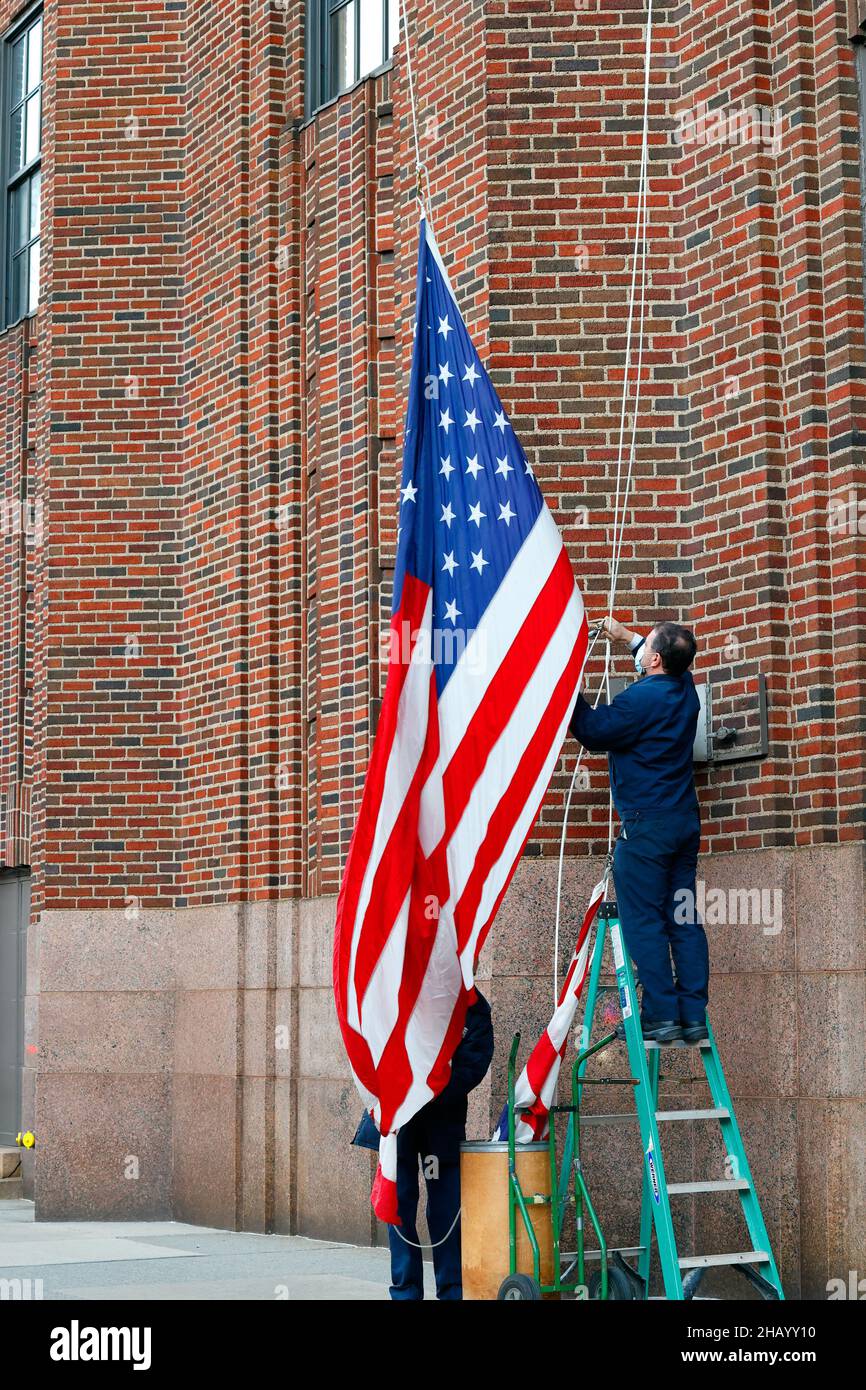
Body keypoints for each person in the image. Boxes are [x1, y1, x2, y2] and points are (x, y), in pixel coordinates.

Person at [569, 617, 709, 1045]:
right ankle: (691, 1014)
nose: (642, 644)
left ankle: (661, 1016)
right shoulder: (687, 692)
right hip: (684, 825)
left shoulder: (639, 701)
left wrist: (565, 689)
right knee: (683, 918)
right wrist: (628, 638)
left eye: (646, 643)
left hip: (647, 829)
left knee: (644, 920)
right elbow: (661, 662)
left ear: (655, 659)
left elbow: (593, 731)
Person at [351, 989, 494, 1300]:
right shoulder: (393, 981)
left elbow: (476, 1054)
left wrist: (435, 1091)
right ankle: (405, 1291)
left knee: (446, 1209)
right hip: (398, 1118)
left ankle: (452, 1290)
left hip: (441, 1119)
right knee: (399, 1203)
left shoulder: (468, 999)